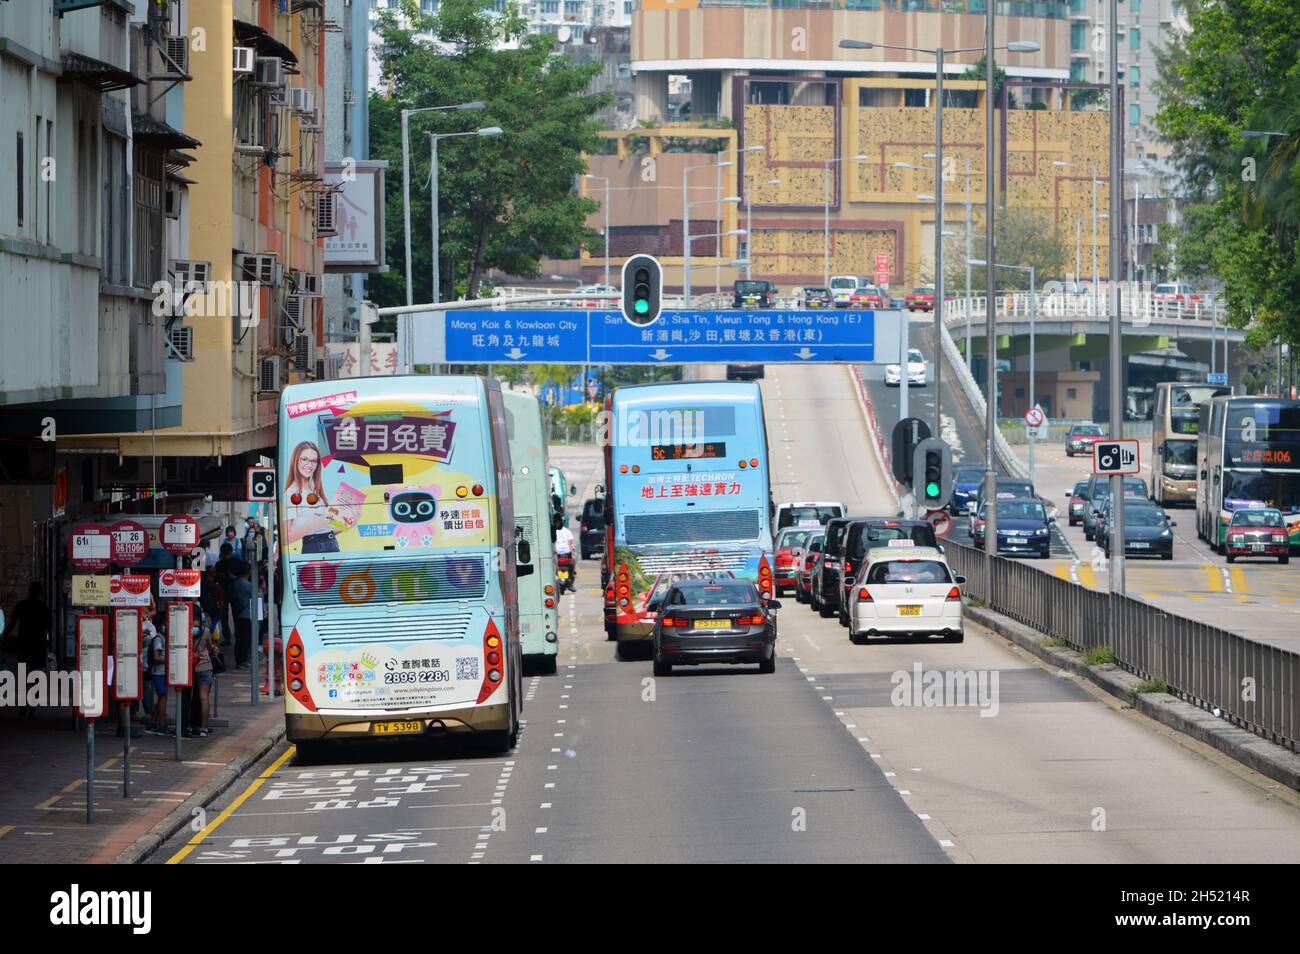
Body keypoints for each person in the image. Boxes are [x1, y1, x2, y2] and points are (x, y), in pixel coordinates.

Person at [283, 440, 356, 552]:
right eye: (304, 459)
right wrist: (312, 525)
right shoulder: (291, 493)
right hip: (313, 547)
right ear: (295, 460)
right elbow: (285, 539)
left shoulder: (315, 489)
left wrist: (349, 524)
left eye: (314, 461)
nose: (309, 465)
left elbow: (326, 530)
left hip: (332, 544)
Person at [2, 583, 51, 717]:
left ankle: (24, 705)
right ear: (40, 593)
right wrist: (47, 642)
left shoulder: (22, 605)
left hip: (24, 644)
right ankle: (33, 704)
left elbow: (12, 623)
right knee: (36, 675)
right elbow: (48, 628)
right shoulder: (43, 608)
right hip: (38, 645)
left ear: (29, 591)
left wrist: (5, 636)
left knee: (23, 675)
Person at [188, 612, 215, 738]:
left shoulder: (185, 630)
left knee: (190, 697)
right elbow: (210, 647)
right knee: (204, 698)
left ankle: (189, 726)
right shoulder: (206, 631)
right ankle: (203, 728)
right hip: (204, 667)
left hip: (190, 668)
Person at [147, 611, 169, 734]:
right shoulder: (159, 639)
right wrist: (169, 659)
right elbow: (156, 657)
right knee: (163, 696)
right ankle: (160, 722)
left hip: (162, 672)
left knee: (162, 696)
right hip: (159, 672)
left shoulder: (163, 638)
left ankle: (153, 720)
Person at [231, 563, 253, 669]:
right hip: (247, 614)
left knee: (239, 638)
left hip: (238, 614)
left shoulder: (235, 583)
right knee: (245, 639)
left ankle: (239, 660)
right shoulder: (249, 585)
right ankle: (243, 660)